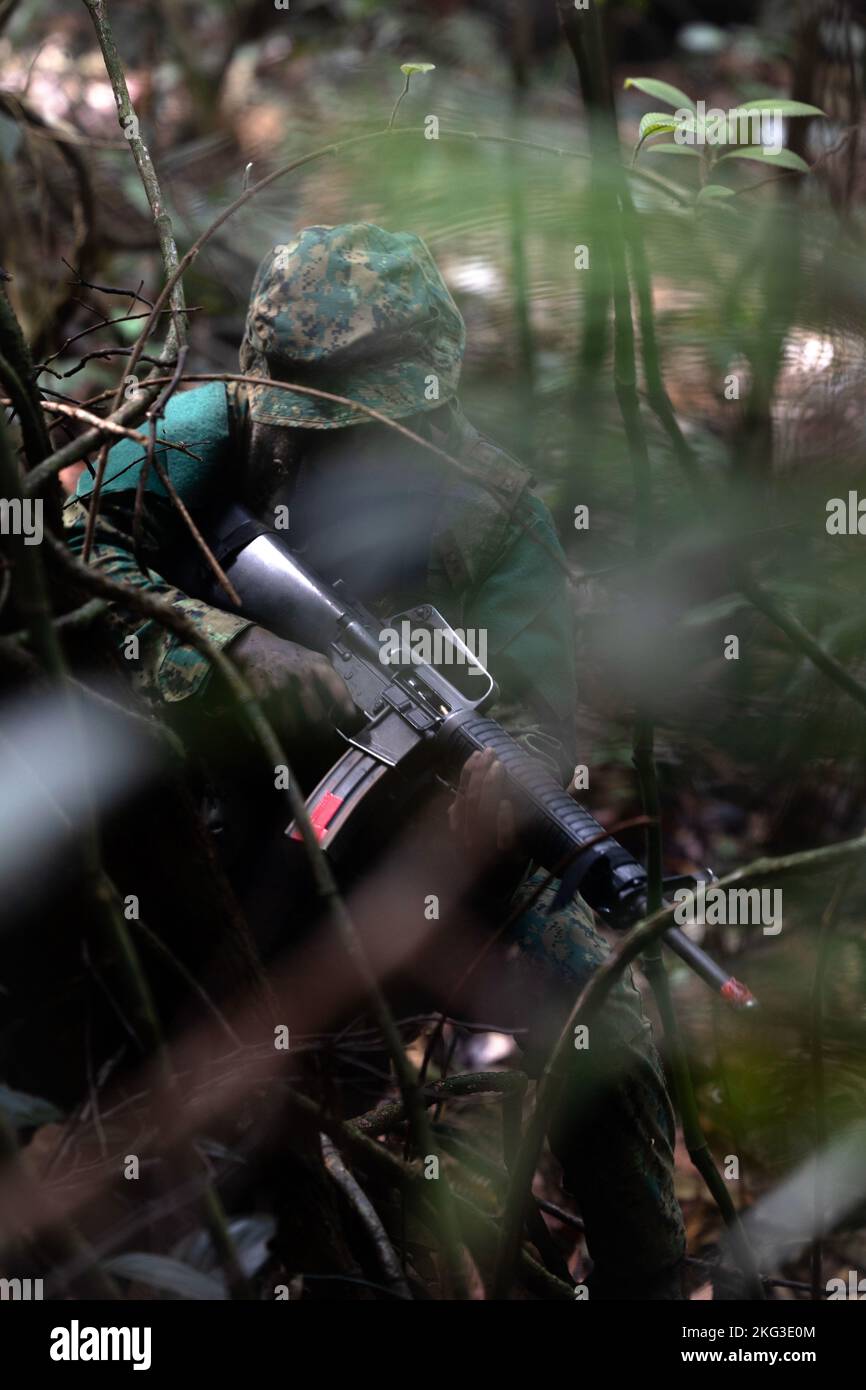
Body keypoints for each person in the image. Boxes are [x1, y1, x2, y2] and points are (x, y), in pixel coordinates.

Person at [65, 222, 686, 1298]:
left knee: (599, 1005)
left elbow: (538, 718)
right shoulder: (206, 435)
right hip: (180, 823)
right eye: (323, 425)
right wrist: (222, 647)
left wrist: (495, 799)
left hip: (388, 843)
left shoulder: (490, 515)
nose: (351, 449)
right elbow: (65, 559)